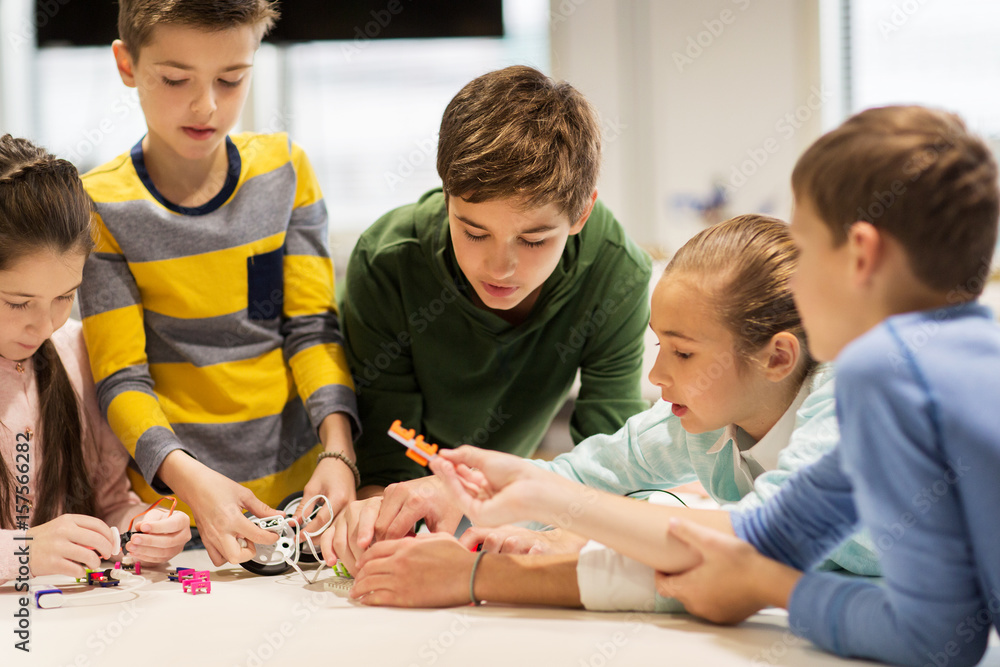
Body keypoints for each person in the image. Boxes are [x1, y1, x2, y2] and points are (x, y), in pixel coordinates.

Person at [426, 106, 1000, 667]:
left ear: (862, 256)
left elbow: (932, 640)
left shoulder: (881, 370)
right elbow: (773, 537)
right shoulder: (935, 364)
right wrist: (528, 493)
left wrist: (768, 585)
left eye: (804, 249)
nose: (793, 286)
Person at [346, 215, 877, 609]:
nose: (657, 375)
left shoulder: (850, 406)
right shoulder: (704, 421)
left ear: (777, 358)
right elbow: (586, 473)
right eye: (659, 346)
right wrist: (458, 497)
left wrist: (479, 573)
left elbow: (757, 541)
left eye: (684, 353)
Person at [328, 65, 651, 568]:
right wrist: (376, 526)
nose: (501, 267)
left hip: (518, 507)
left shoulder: (618, 272)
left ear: (581, 214)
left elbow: (613, 462)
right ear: (446, 196)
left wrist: (553, 537)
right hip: (411, 497)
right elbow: (385, 462)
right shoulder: (388, 261)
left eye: (534, 240)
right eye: (474, 232)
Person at [78, 0, 359, 567]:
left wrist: (340, 450)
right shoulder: (100, 206)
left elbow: (311, 330)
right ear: (127, 64)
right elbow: (121, 378)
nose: (206, 105)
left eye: (231, 79)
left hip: (301, 501)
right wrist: (191, 481)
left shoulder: (285, 171)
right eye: (175, 79)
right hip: (174, 515)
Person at [0, 135, 190, 581]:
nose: (45, 326)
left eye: (65, 297)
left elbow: (109, 503)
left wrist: (141, 531)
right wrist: (23, 553)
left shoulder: (78, 351)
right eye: (18, 302)